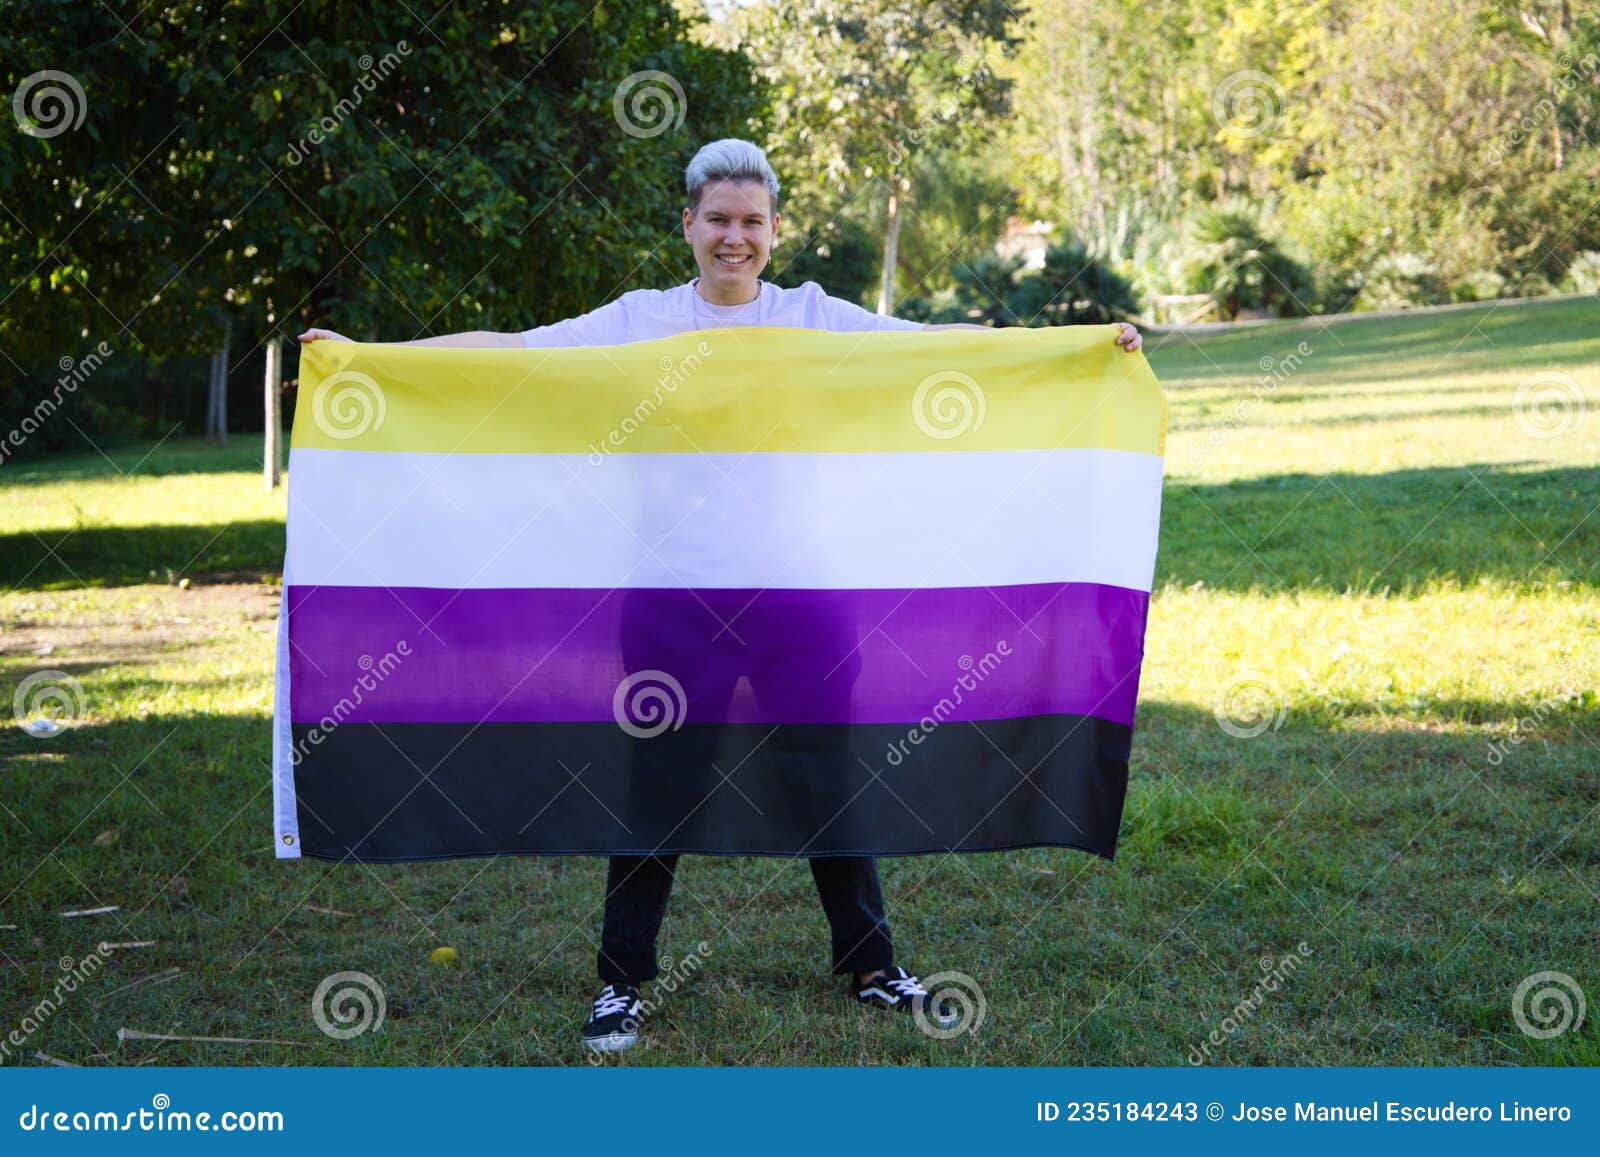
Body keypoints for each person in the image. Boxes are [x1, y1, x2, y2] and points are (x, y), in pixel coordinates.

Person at [299, 138, 1143, 1056]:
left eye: (751, 222)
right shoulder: (637, 322)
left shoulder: (815, 318)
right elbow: (514, 357)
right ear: (689, 225)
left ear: (776, 230)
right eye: (718, 220)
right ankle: (622, 981)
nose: (733, 237)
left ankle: (870, 964)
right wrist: (368, 358)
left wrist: (1078, 349)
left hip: (802, 601)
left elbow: (930, 348)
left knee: (826, 775)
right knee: (657, 787)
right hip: (670, 605)